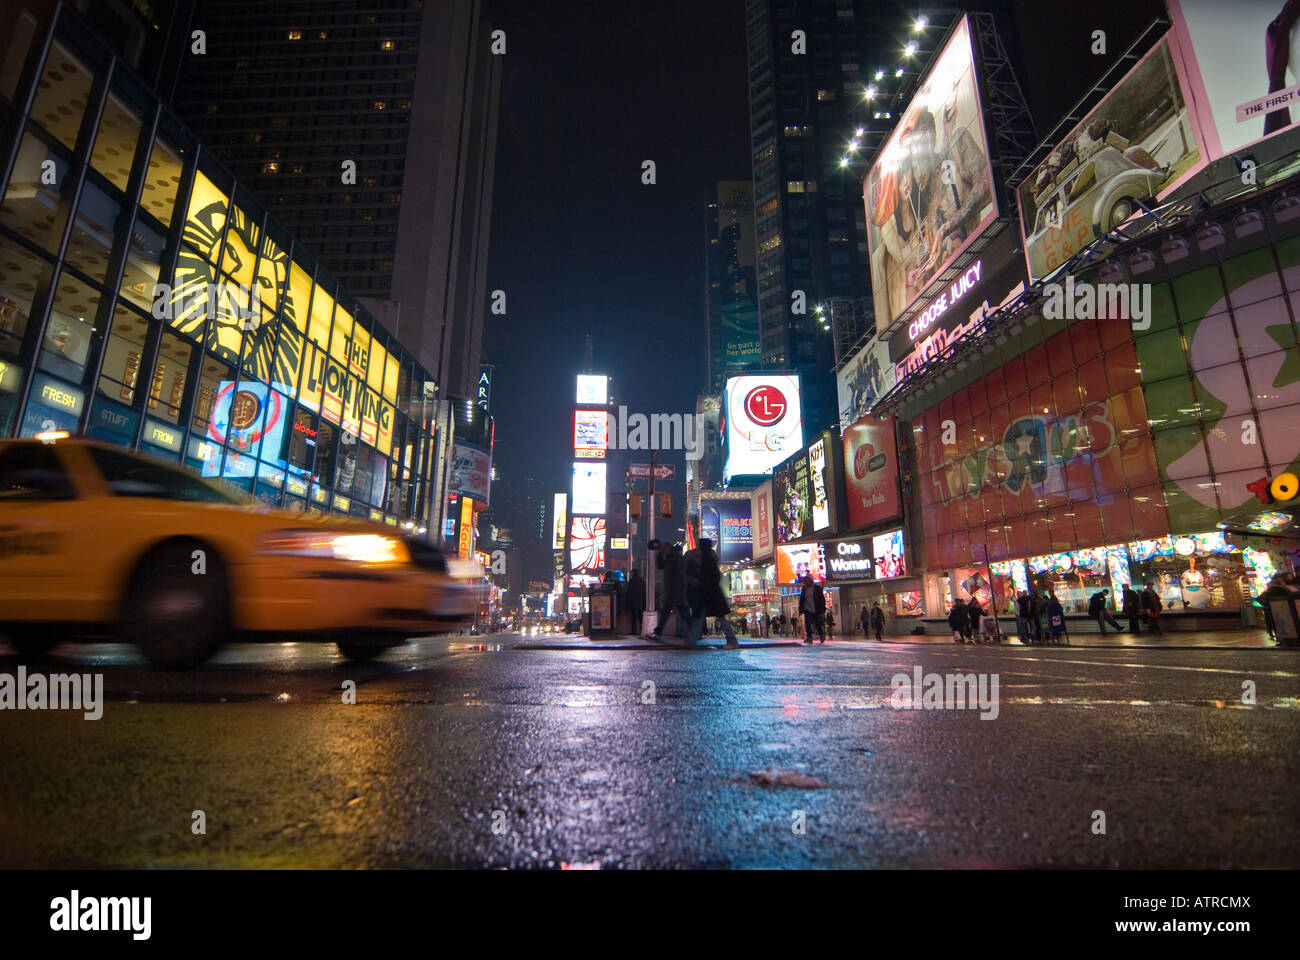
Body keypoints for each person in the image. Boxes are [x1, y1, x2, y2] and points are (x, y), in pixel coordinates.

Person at [684, 538, 738, 649]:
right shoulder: (709, 558)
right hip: (711, 595)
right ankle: (732, 641)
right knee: (717, 619)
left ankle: (690, 642)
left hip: (707, 595)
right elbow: (716, 577)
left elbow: (711, 577)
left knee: (700, 619)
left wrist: (699, 585)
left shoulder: (706, 560)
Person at [650, 540, 691, 642]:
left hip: (675, 589)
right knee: (682, 612)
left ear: (667, 548)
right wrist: (660, 553)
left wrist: (675, 587)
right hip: (674, 589)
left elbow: (677, 574)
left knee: (670, 611)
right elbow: (660, 566)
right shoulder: (671, 556)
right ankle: (698, 629)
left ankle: (658, 631)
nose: (661, 551)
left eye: (663, 549)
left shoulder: (675, 557)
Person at [798, 574, 827, 645]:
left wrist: (822, 609)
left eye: (807, 580)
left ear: (811, 580)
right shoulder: (804, 589)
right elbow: (802, 600)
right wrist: (801, 610)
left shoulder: (817, 588)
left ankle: (821, 635)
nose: (806, 582)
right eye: (805, 580)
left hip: (816, 609)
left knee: (817, 624)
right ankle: (809, 636)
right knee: (808, 623)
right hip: (808, 609)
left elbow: (821, 599)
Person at [627, 566, 646, 634]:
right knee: (640, 617)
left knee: (633, 617)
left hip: (633, 601)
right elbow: (644, 591)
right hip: (640, 602)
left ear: (633, 573)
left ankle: (633, 631)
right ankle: (642, 631)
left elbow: (629, 591)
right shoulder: (641, 580)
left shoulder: (632, 580)